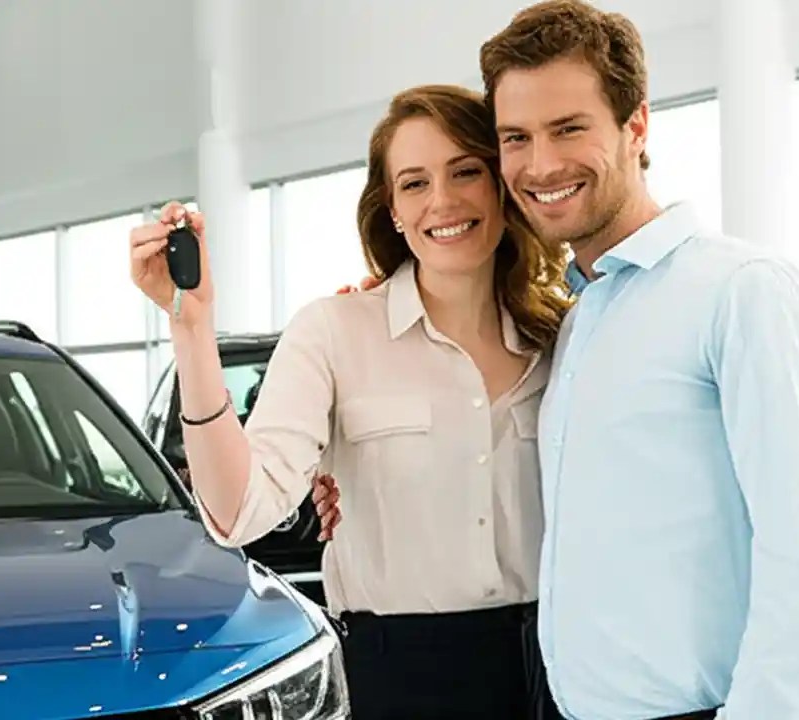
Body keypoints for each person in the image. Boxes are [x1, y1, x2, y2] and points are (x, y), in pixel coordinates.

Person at [318, 2, 799, 719]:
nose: (542, 164)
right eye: (516, 137)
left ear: (636, 124)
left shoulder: (742, 293)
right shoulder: (579, 320)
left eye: (569, 128)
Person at [128, 84, 569, 719]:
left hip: (562, 670)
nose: (443, 200)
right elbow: (239, 513)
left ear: (501, 185)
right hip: (405, 678)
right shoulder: (334, 332)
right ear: (390, 209)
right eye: (414, 183)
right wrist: (193, 329)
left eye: (465, 171)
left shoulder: (559, 338)